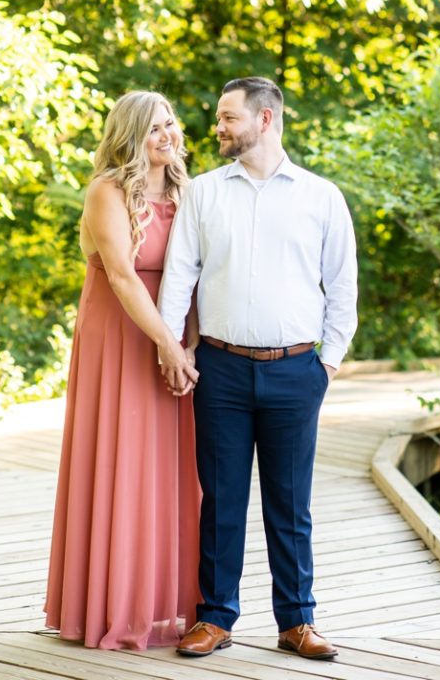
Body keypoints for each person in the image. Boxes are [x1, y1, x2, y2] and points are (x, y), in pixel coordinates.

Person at [156, 76, 358, 661]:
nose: (216, 127)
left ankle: (297, 621)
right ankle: (215, 617)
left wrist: (330, 363)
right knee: (219, 499)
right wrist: (173, 346)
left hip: (297, 371)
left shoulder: (321, 197)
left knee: (290, 502)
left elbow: (342, 286)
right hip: (219, 370)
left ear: (264, 120)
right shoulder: (205, 194)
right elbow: (180, 277)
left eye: (227, 118)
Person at [45, 90, 201, 649]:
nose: (168, 136)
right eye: (155, 128)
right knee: (122, 461)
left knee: (172, 470)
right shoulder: (107, 191)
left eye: (171, 125)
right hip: (120, 336)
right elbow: (121, 274)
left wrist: (191, 344)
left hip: (174, 337)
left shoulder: (188, 193)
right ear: (132, 135)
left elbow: (202, 272)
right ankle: (109, 607)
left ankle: (169, 607)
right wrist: (167, 345)